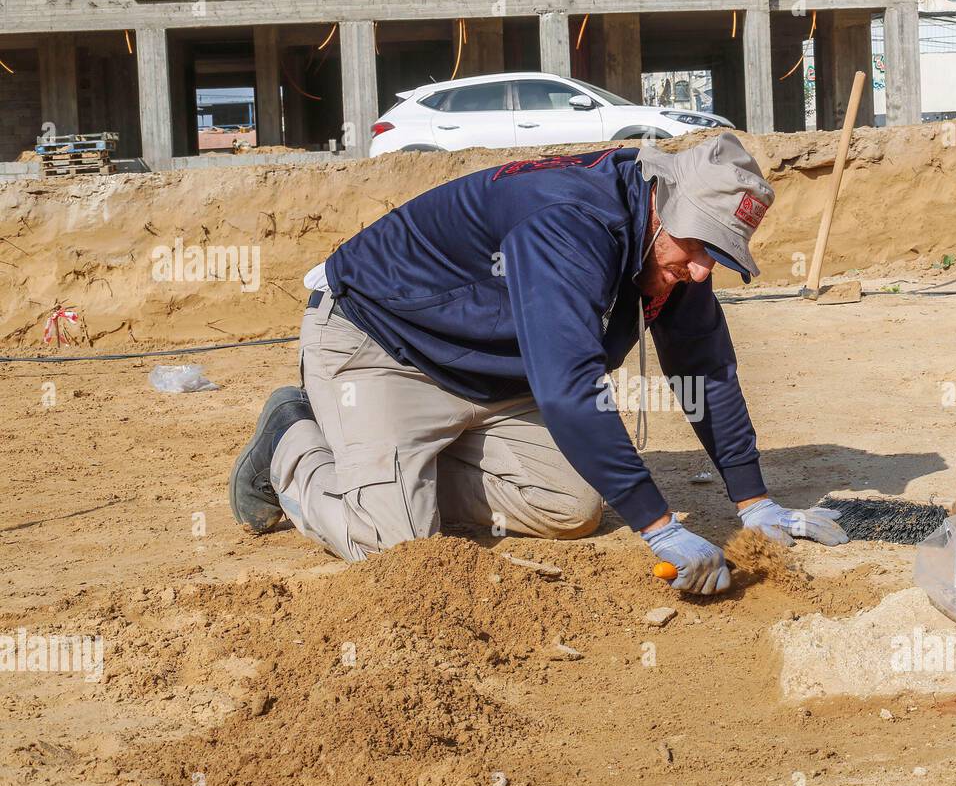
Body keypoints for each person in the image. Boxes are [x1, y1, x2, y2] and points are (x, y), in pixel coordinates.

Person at [229, 133, 845, 594]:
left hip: (494, 372)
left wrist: (753, 501)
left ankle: (403, 465)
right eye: (697, 246)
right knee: (398, 552)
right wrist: (658, 526)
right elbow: (570, 387)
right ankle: (295, 442)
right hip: (385, 349)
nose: (704, 269)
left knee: (572, 509)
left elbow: (704, 365)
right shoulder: (570, 223)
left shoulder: (672, 243)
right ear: (664, 204)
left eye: (719, 252)